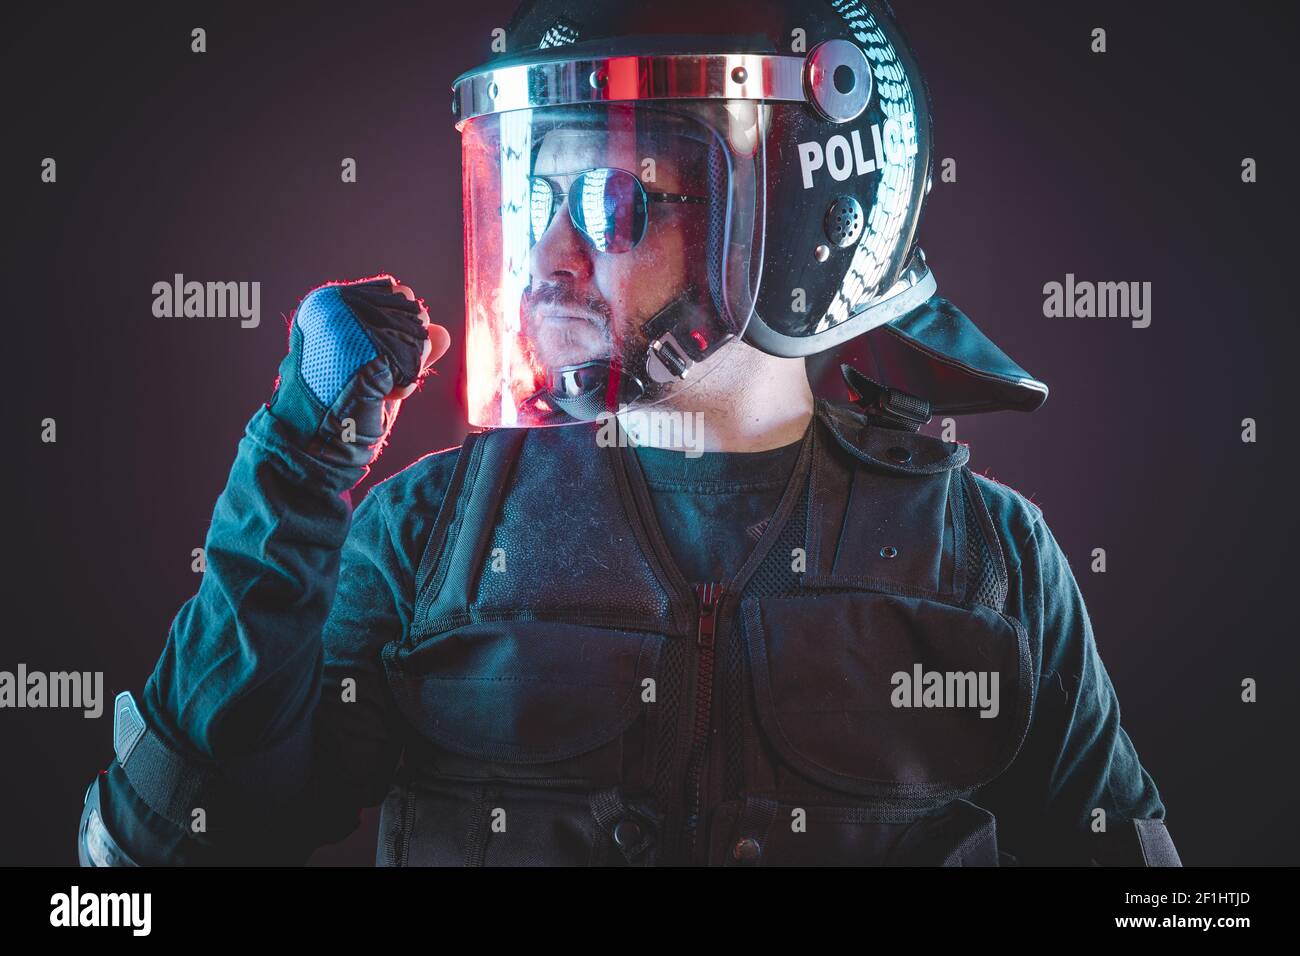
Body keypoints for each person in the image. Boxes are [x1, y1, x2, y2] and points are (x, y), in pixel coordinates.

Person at [78, 0, 1180, 867]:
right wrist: (298, 462)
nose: (550, 257)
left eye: (614, 201)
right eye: (537, 198)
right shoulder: (431, 535)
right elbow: (159, 864)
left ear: (796, 220)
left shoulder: (988, 566)